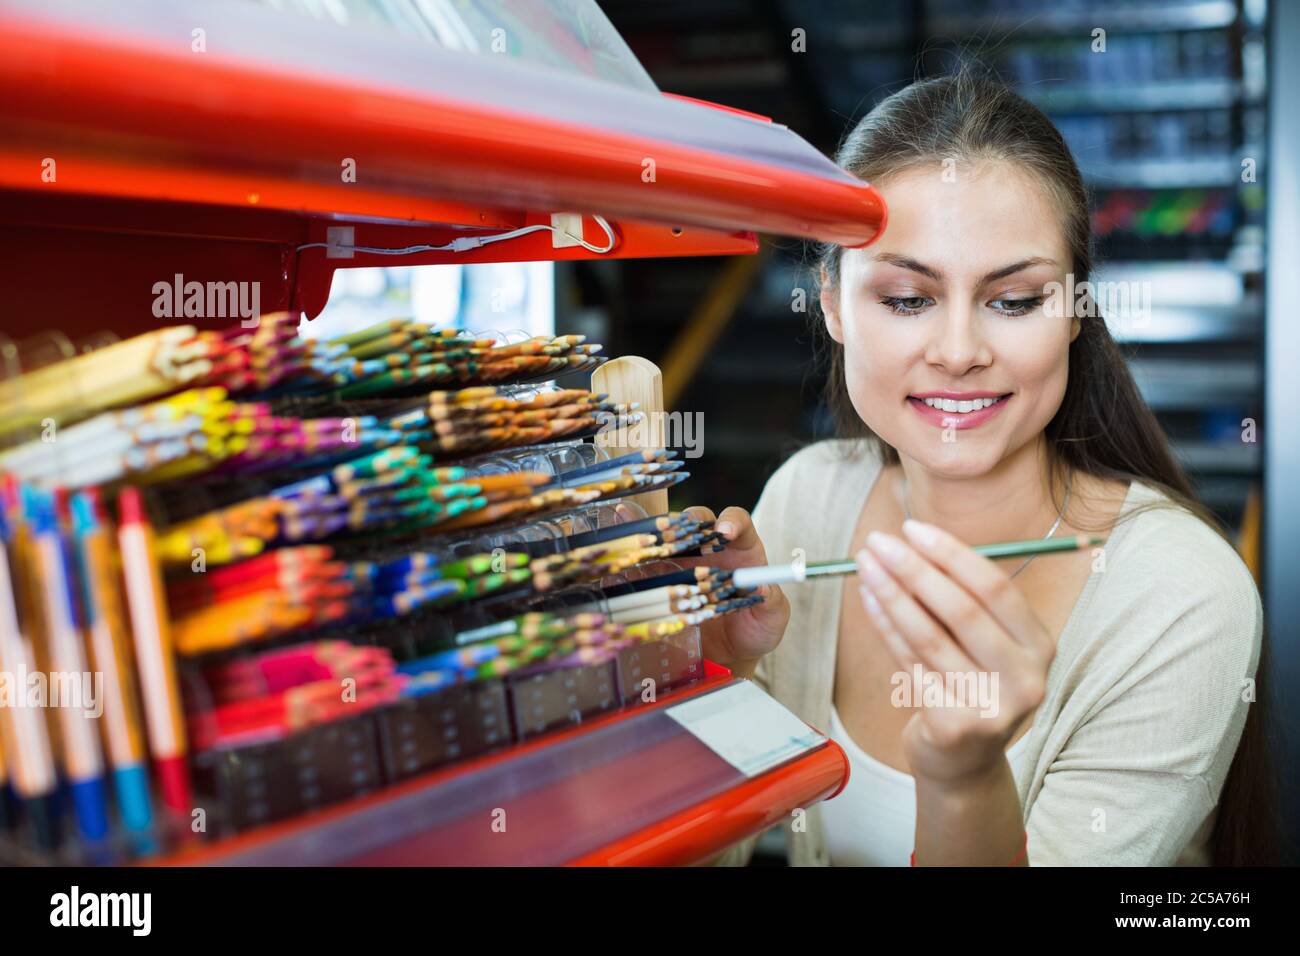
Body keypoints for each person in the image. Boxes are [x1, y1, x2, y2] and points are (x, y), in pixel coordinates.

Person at [685, 69, 1272, 866]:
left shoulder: (1179, 594)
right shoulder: (808, 497)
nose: (959, 353)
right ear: (830, 303)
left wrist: (965, 781)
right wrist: (720, 678)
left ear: (1073, 311)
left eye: (1015, 300)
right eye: (905, 299)